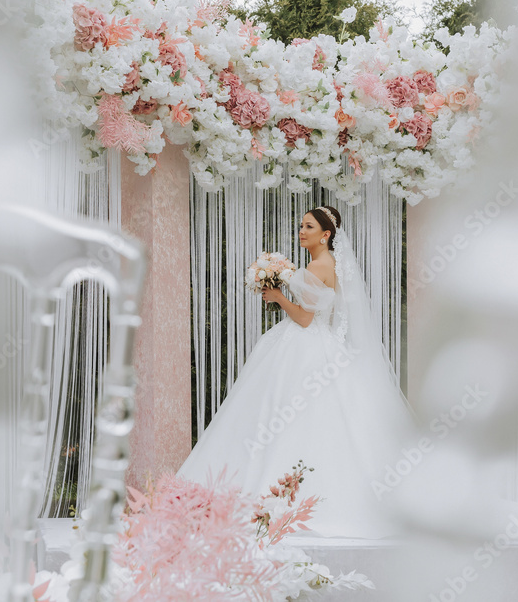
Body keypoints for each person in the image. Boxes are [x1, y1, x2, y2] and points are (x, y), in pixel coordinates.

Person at [176, 205, 415, 538]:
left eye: (308, 226)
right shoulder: (331, 263)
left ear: (326, 234)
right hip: (322, 343)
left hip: (305, 345)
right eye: (300, 225)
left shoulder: (319, 265)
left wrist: (277, 297)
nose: (301, 231)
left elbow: (304, 318)